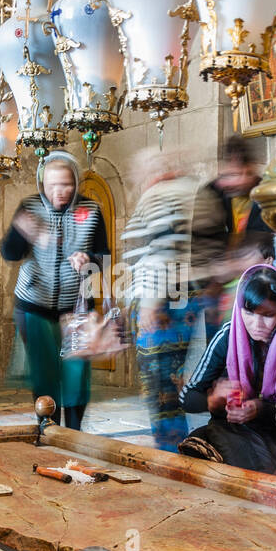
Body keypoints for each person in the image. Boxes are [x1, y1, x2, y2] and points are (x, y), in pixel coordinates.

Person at [0, 151, 110, 431]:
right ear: (42, 184)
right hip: (34, 306)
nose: (59, 191)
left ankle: (73, 434)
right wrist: (22, 232)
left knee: (76, 375)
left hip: (76, 309)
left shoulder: (91, 210)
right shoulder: (30, 207)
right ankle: (48, 429)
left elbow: (104, 258)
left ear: (76, 182)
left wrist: (88, 259)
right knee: (45, 375)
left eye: (66, 184)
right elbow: (10, 253)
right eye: (52, 185)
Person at [178, 264, 276, 473]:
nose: (256, 324)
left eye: (268, 315)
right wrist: (211, 400)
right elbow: (187, 397)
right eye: (249, 312)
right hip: (236, 432)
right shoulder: (228, 337)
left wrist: (261, 409)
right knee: (256, 470)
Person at [121, 151, 198, 451]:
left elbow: (165, 246)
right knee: (169, 387)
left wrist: (150, 303)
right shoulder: (186, 192)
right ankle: (176, 449)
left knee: (160, 390)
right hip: (177, 298)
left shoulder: (159, 194)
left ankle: (172, 455)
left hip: (163, 304)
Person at [190, 137, 274, 342]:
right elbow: (200, 240)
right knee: (219, 345)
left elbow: (266, 243)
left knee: (252, 345)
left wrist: (244, 262)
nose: (235, 181)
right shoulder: (211, 193)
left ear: (251, 169)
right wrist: (212, 278)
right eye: (230, 174)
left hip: (256, 286)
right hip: (215, 288)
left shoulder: (266, 192)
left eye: (242, 174)